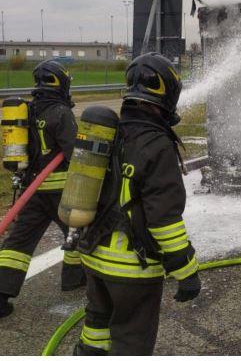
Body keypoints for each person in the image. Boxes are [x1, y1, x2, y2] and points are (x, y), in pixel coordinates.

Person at [74, 52, 201, 356]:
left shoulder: (108, 134)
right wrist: (187, 273)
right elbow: (164, 220)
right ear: (168, 94)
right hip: (132, 270)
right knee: (132, 339)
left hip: (92, 257)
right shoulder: (157, 146)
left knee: (97, 324)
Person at [0, 59, 85, 318]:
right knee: (80, 231)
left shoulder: (26, 111)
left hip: (32, 191)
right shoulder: (61, 113)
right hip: (62, 190)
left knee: (18, 242)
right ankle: (76, 280)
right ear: (61, 83)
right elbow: (74, 153)